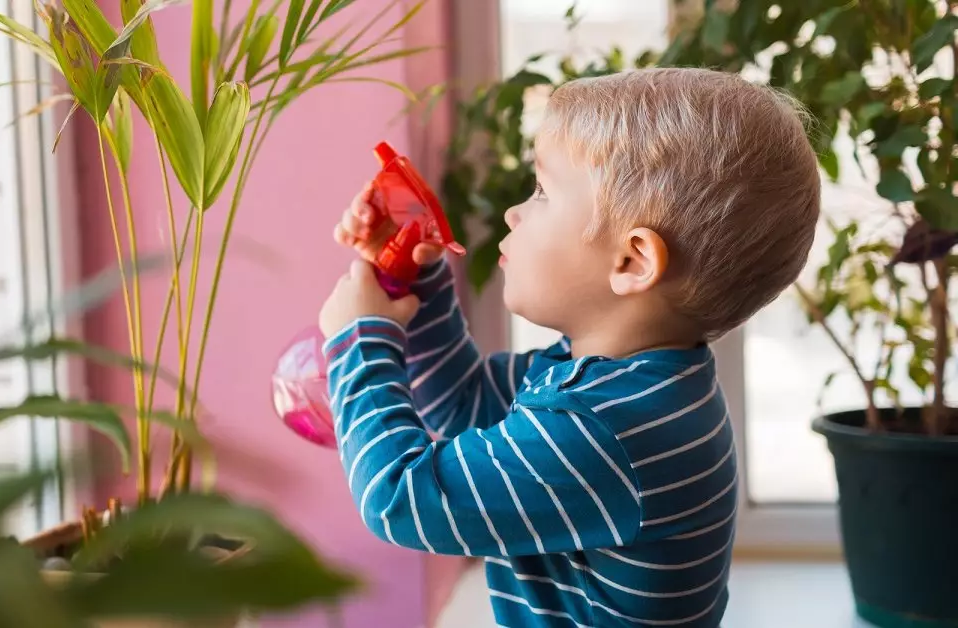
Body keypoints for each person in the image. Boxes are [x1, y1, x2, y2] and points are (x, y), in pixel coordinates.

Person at [317, 67, 820, 627]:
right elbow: (465, 403)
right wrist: (418, 276)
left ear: (632, 261)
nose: (514, 213)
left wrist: (358, 341)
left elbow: (399, 500)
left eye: (541, 193)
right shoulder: (623, 381)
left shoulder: (602, 428)